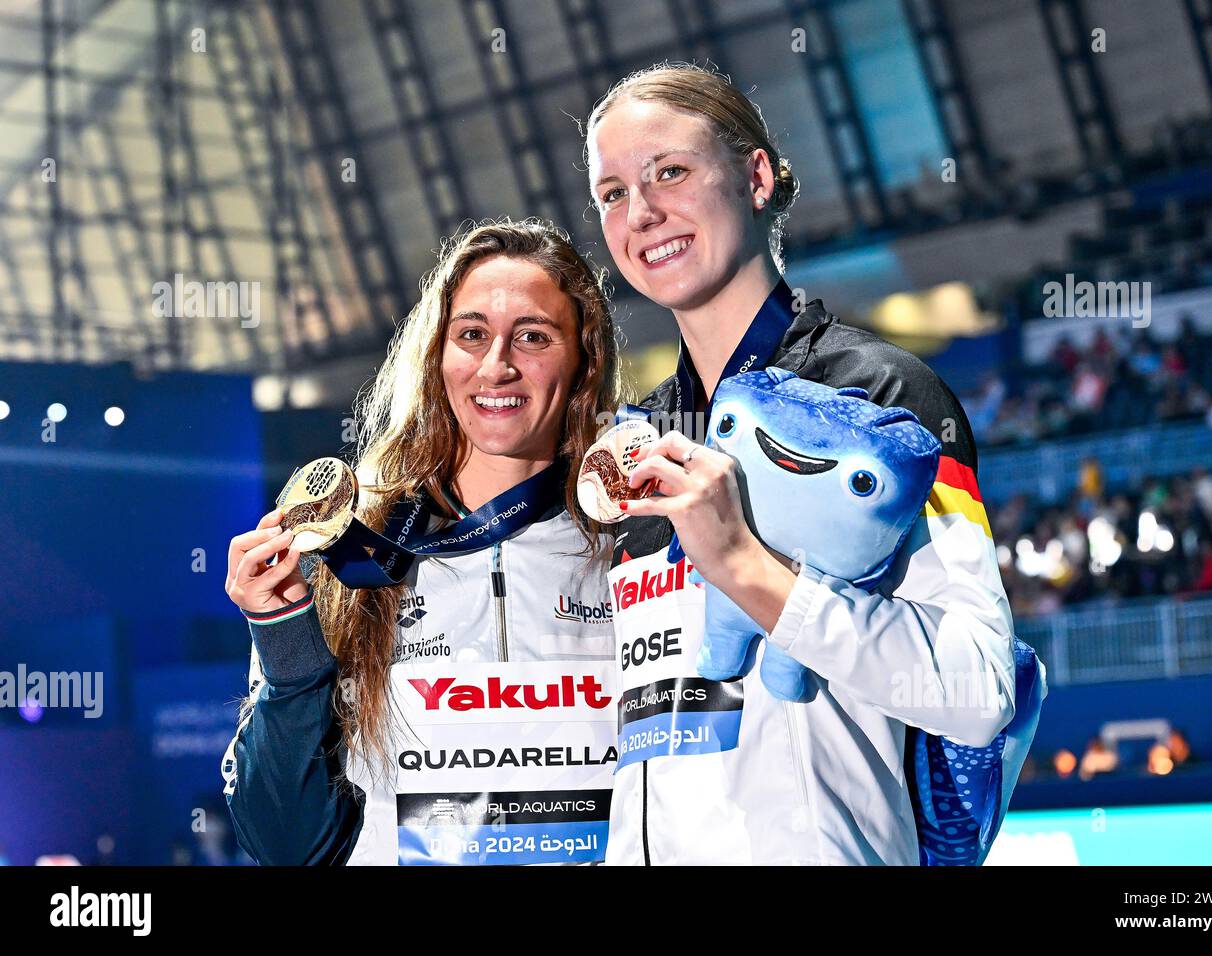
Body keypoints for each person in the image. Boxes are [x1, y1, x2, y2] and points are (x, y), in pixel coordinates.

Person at [584, 64, 1026, 865]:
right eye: (612, 193)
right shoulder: (631, 442)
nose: (641, 212)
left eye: (669, 173)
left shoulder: (885, 395)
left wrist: (748, 569)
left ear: (755, 177)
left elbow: (977, 692)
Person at [221, 220, 622, 865]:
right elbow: (287, 846)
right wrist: (286, 642)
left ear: (584, 359)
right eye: (472, 335)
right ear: (438, 356)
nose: (498, 365)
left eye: (533, 337)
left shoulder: (639, 544)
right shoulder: (349, 556)